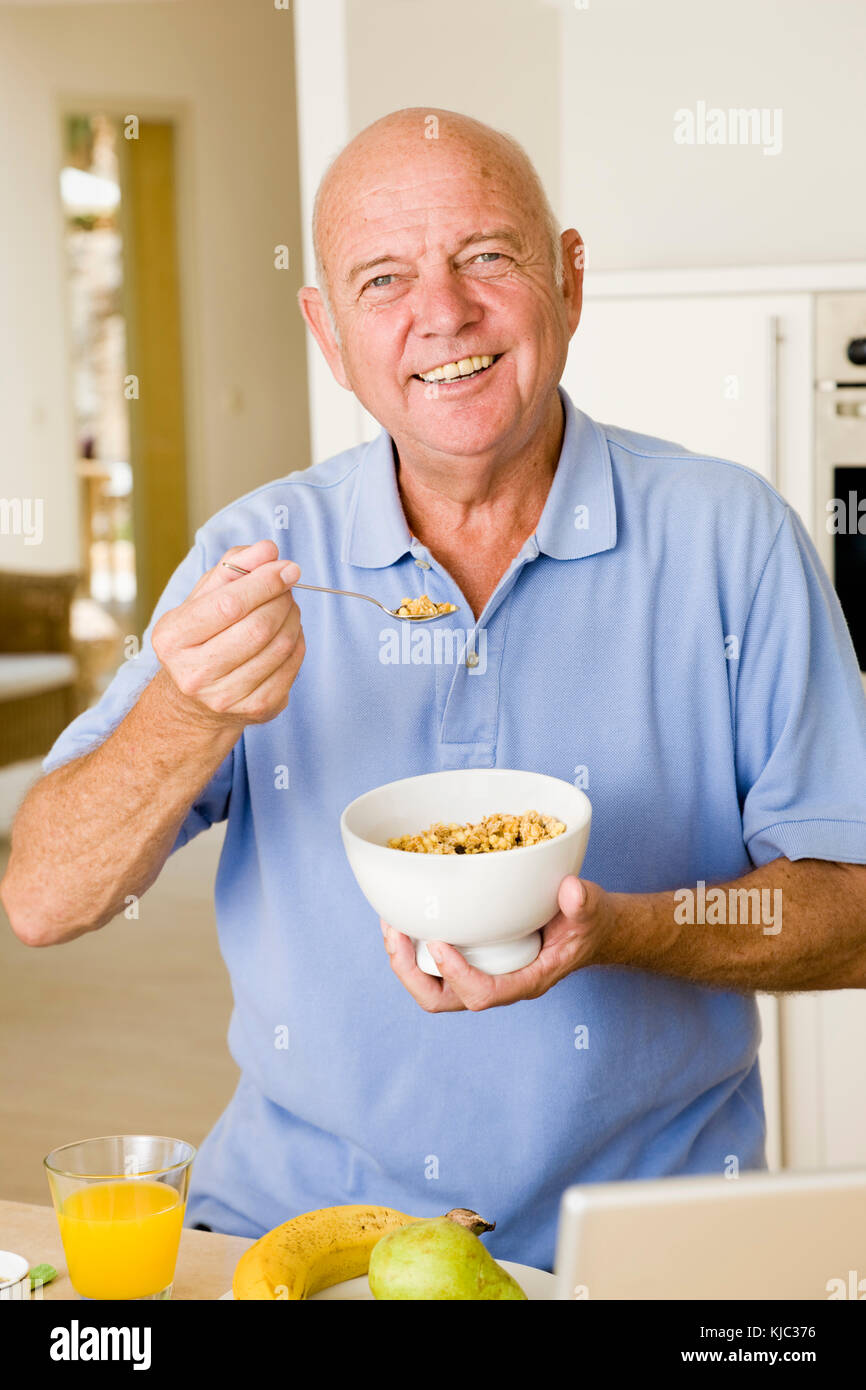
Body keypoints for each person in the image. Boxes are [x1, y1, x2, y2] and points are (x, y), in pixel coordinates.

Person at [4, 109, 866, 1272]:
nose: (443, 313)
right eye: (382, 278)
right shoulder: (253, 552)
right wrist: (189, 709)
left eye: (487, 257)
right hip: (296, 1232)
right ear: (327, 332)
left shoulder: (730, 538)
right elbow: (43, 900)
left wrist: (621, 930)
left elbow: (853, 905)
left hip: (635, 1249)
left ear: (566, 276)